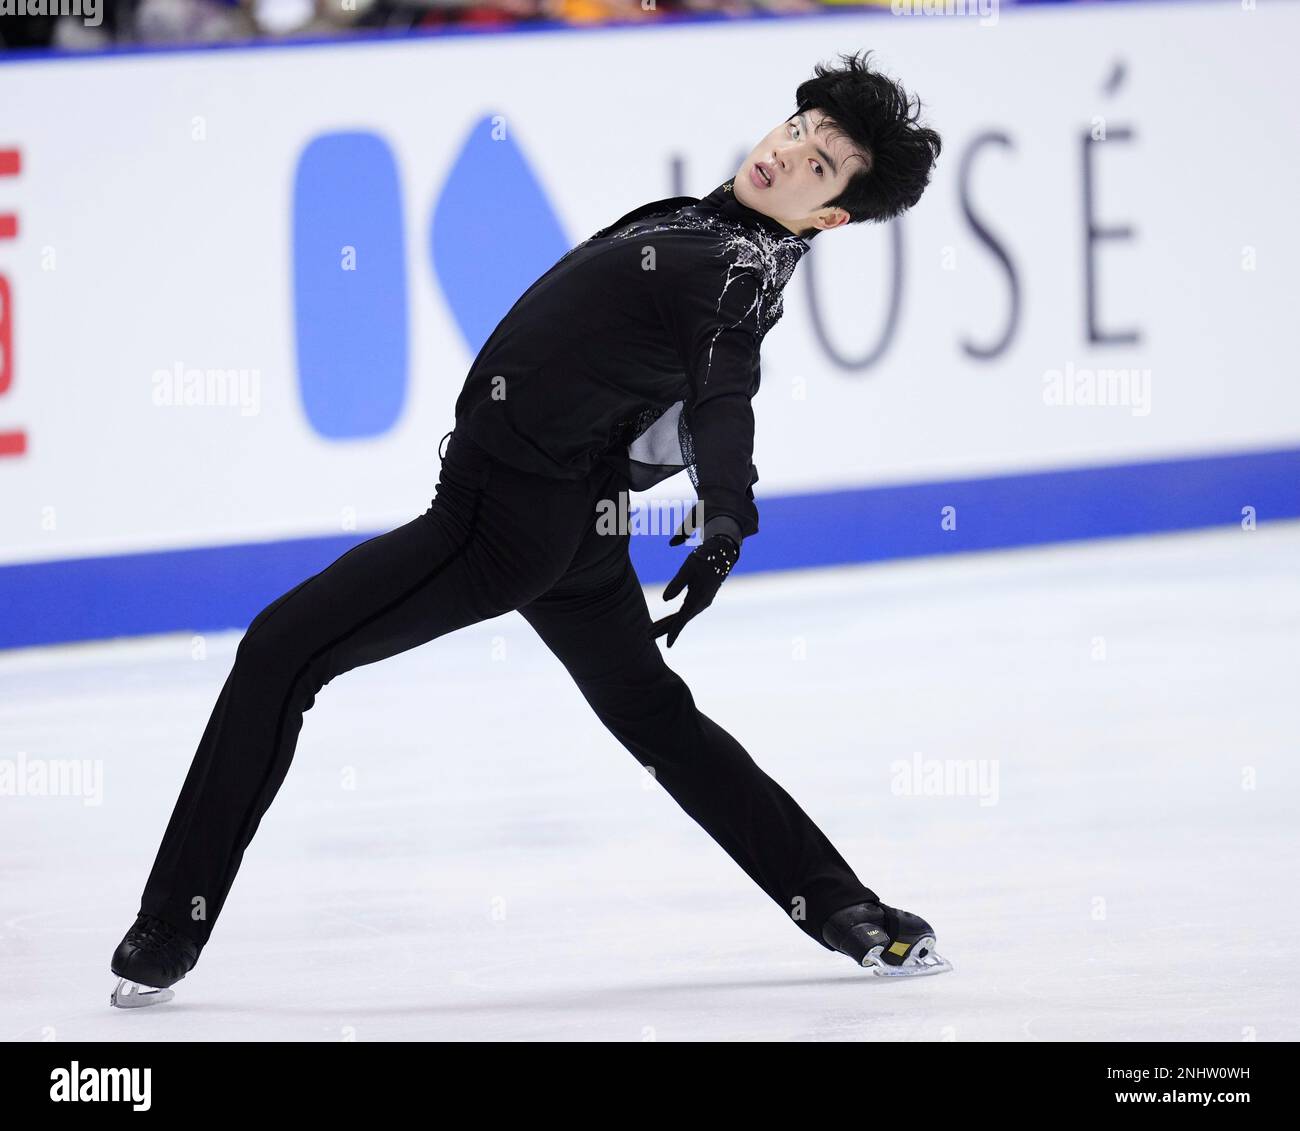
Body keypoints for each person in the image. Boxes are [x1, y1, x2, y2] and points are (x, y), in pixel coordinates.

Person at [109, 50, 947, 1008]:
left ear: (831, 214)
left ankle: (170, 926)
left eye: (823, 163)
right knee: (654, 715)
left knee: (280, 650)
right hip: (571, 523)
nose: (791, 153)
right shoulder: (726, 226)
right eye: (799, 130)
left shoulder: (734, 269)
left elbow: (725, 397)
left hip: (496, 524)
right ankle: (847, 910)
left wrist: (725, 516)